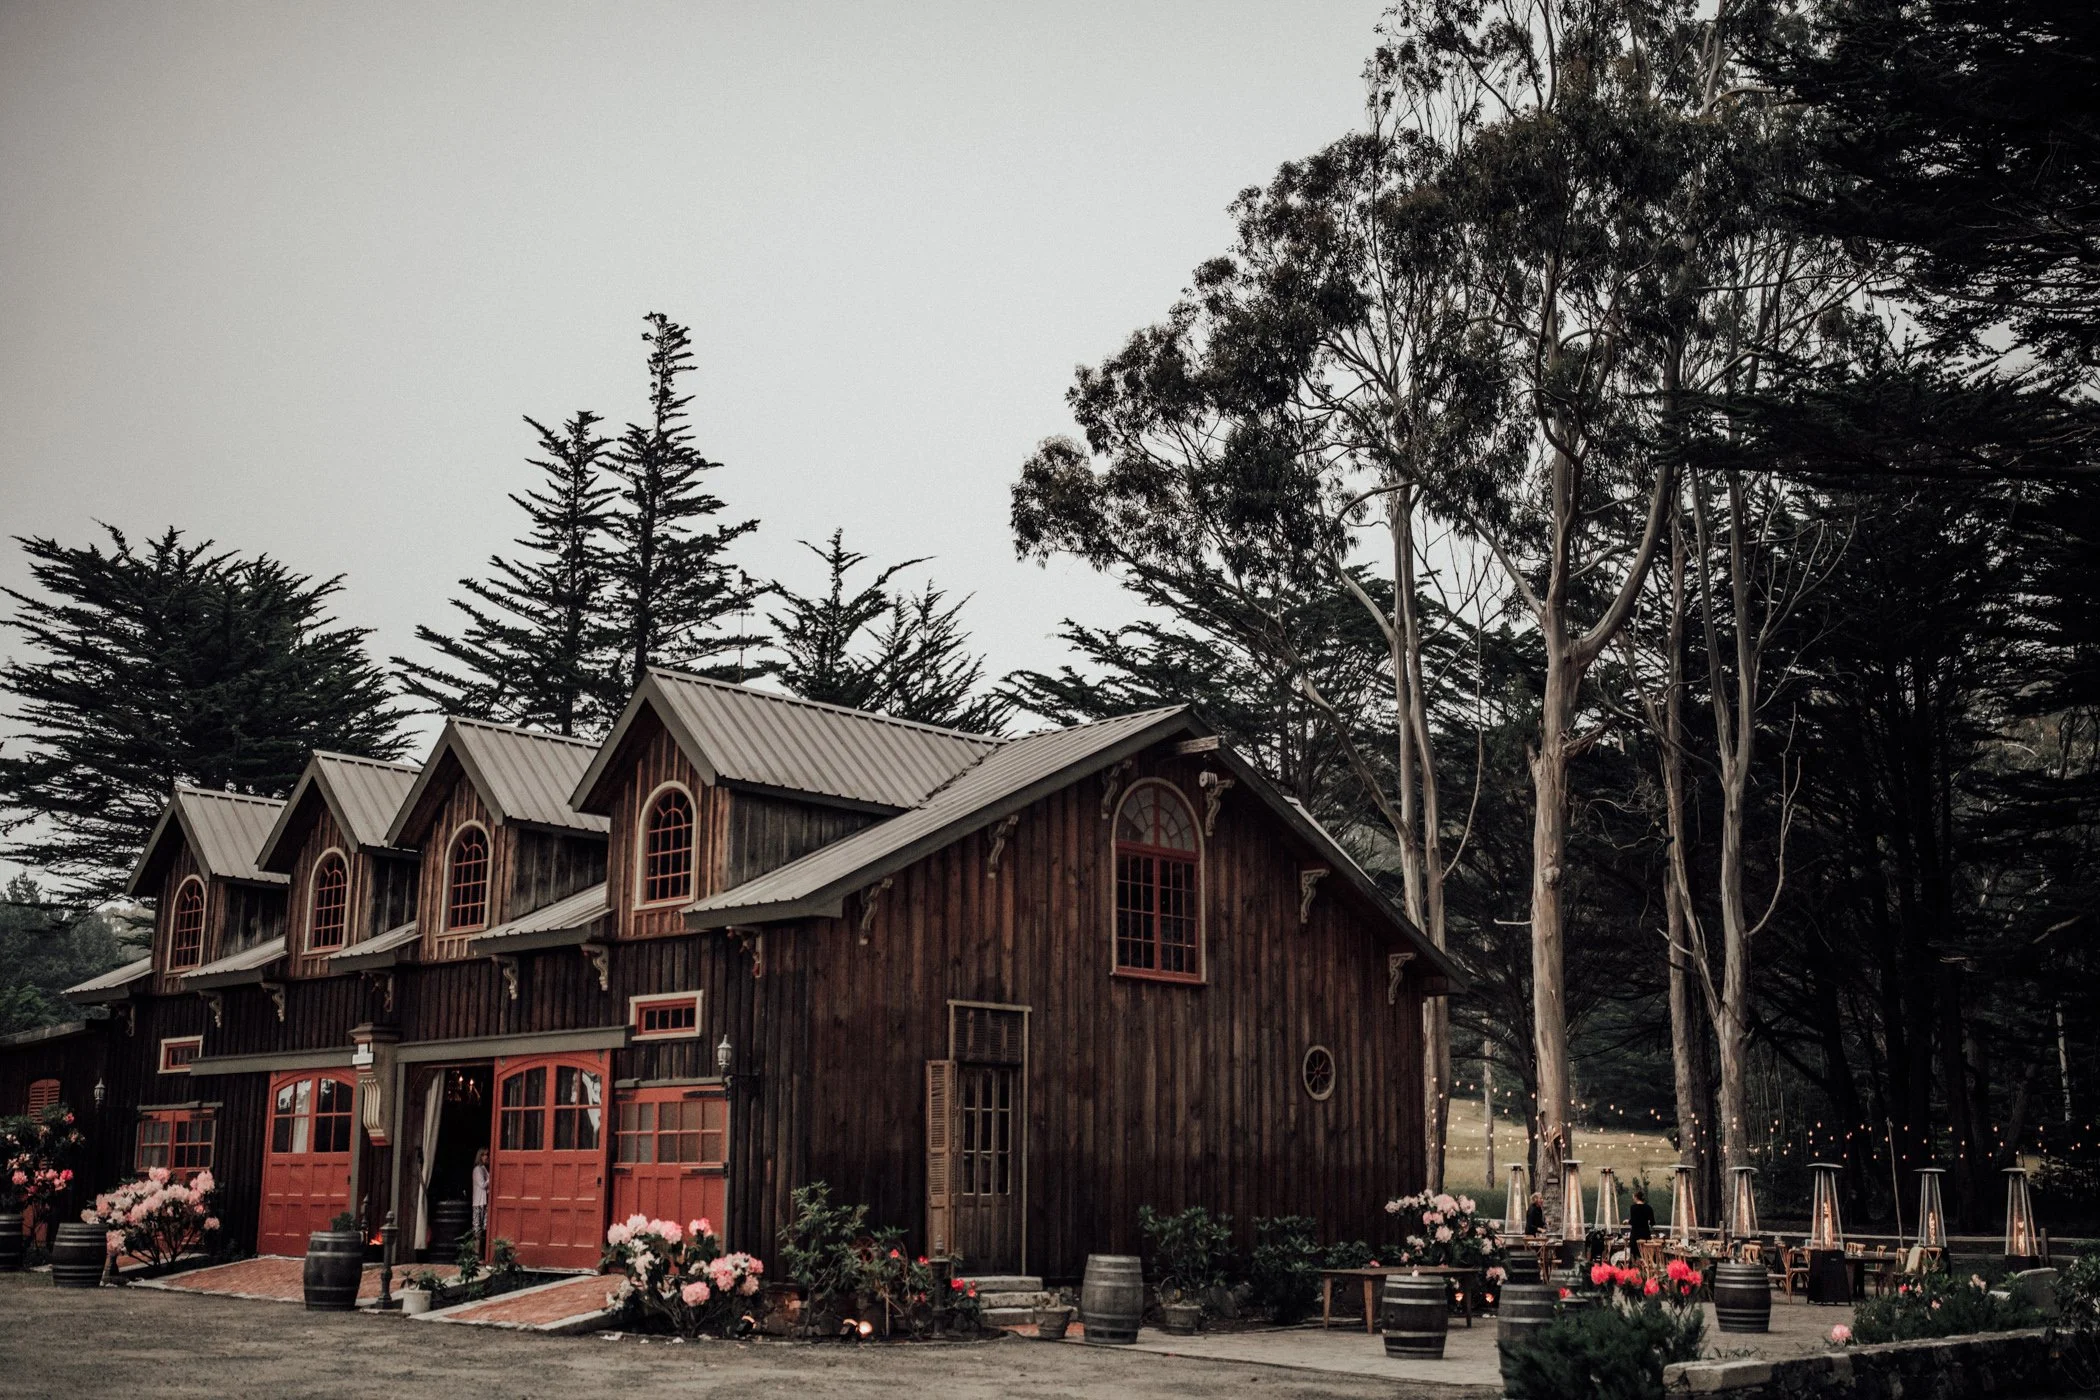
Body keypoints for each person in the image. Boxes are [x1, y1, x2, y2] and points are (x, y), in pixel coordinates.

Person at [470, 1146, 490, 1243]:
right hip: (478, 1203)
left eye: (487, 1155)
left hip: (484, 1202)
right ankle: (476, 1254)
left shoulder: (484, 1169)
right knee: (477, 1229)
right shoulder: (477, 1169)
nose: (487, 1157)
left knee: (484, 1228)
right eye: (484, 1155)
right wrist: (491, 1178)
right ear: (480, 1156)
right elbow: (483, 1185)